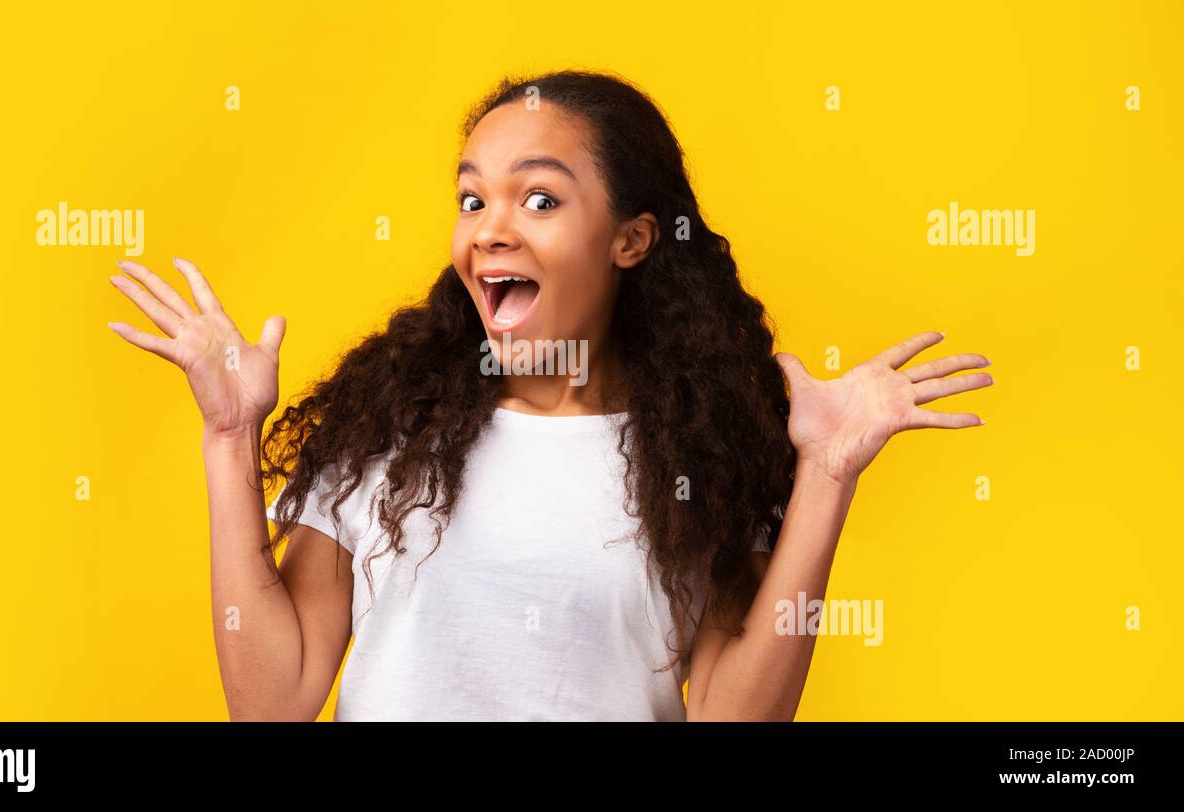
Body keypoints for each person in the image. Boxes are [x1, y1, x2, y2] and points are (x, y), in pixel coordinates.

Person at [106, 69, 993, 721]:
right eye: (470, 198)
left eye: (538, 199)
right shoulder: (387, 430)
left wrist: (827, 476)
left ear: (632, 240)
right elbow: (271, 701)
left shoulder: (701, 455)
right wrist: (228, 440)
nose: (490, 227)